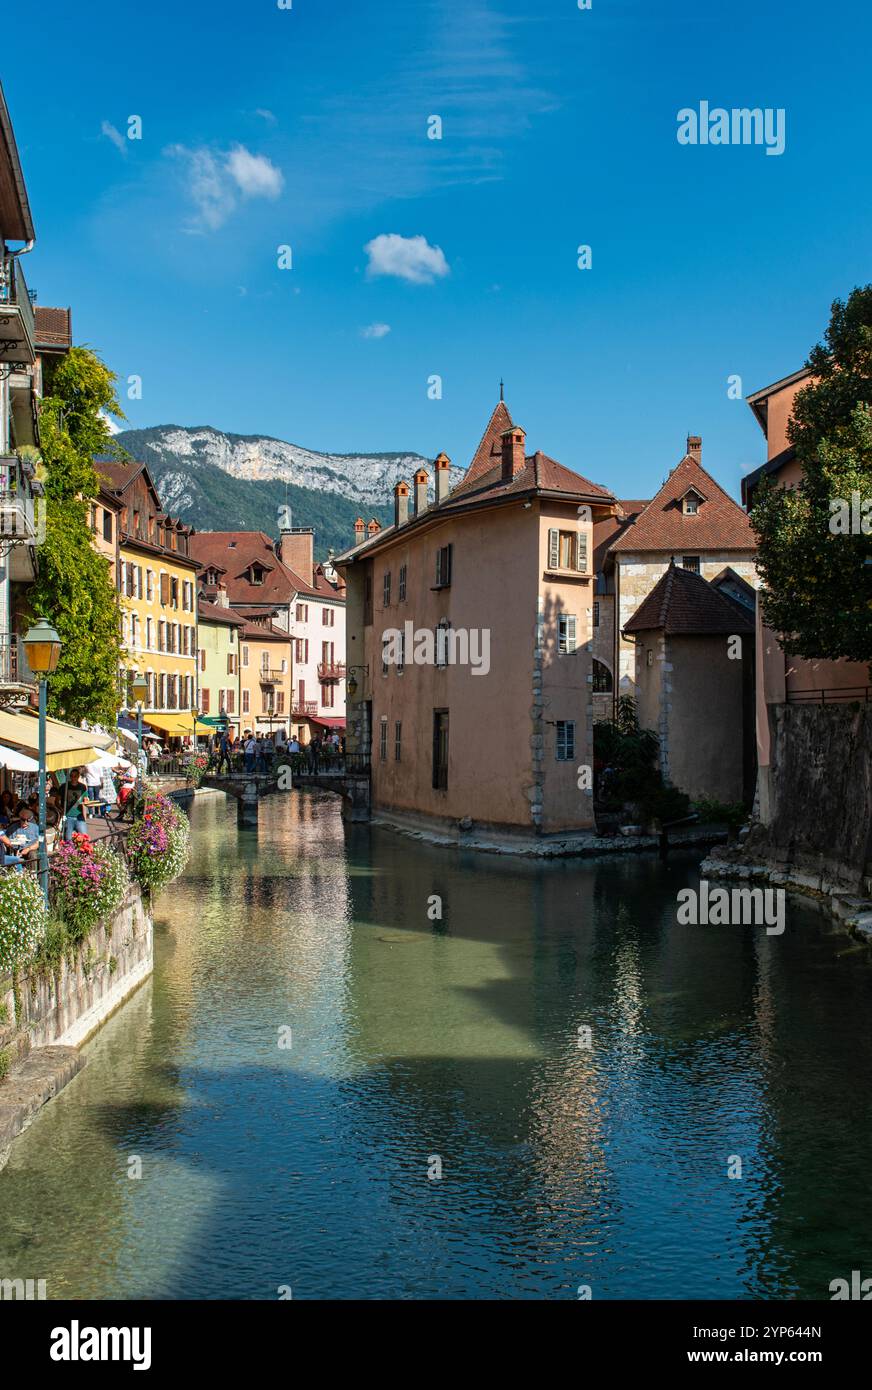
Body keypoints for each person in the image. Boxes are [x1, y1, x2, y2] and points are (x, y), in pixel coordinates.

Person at [1, 804, 40, 871]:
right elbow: (6, 840)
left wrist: (28, 849)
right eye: (23, 820)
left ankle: (33, 875)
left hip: (30, 850)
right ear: (20, 818)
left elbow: (39, 843)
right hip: (15, 850)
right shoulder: (13, 827)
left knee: (32, 854)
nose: (25, 822)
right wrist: (12, 846)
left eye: (28, 820)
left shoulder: (35, 828)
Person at [63, 769, 90, 842]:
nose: (73, 778)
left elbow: (84, 803)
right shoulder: (64, 786)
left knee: (84, 837)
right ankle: (69, 852)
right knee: (68, 839)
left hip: (79, 816)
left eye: (75, 776)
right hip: (68, 816)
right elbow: (57, 800)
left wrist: (85, 818)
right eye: (71, 776)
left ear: (78, 776)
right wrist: (62, 811)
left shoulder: (82, 787)